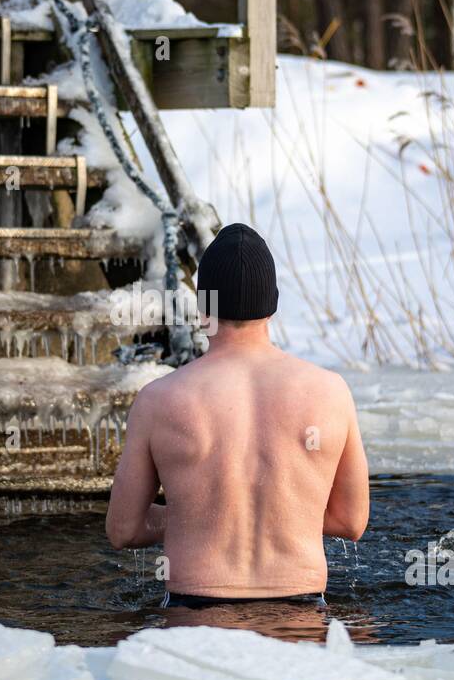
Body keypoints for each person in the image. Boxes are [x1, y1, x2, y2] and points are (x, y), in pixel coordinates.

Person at [105, 223, 370, 608]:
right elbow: (350, 521)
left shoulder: (158, 400)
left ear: (202, 306)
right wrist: (284, 513)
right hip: (302, 617)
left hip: (193, 619)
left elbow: (123, 530)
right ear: (273, 303)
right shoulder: (330, 392)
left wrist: (188, 515)